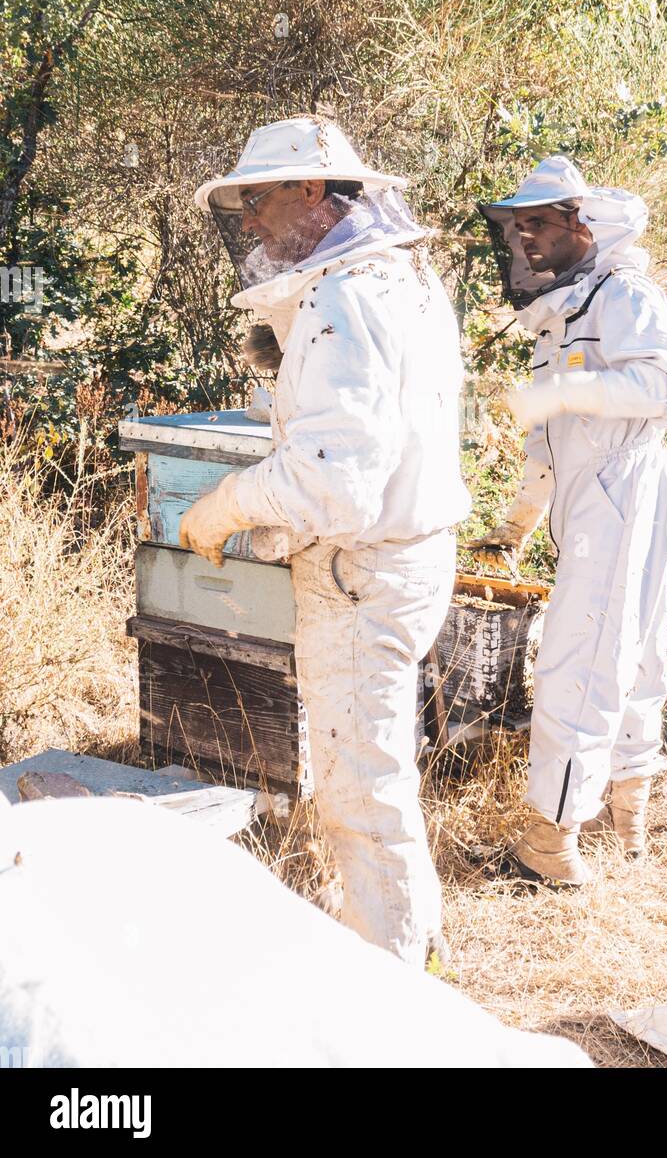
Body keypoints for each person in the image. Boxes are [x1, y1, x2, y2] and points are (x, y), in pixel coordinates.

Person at [178, 116, 471, 965]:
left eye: (260, 197)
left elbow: (333, 484)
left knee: (360, 798)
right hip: (403, 555)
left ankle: (393, 999)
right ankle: (416, 946)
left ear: (314, 190)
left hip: (361, 571)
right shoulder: (407, 278)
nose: (249, 220)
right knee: (377, 771)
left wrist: (226, 507)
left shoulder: (346, 298)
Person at [473, 155, 667, 884]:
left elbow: (665, 390)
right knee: (631, 655)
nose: (525, 239)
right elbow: (549, 441)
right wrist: (516, 525)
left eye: (537, 224)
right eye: (518, 227)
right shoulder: (565, 310)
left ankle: (549, 843)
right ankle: (624, 821)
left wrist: (569, 392)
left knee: (584, 655)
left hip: (624, 483)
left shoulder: (625, 294)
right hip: (598, 491)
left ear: (580, 224)